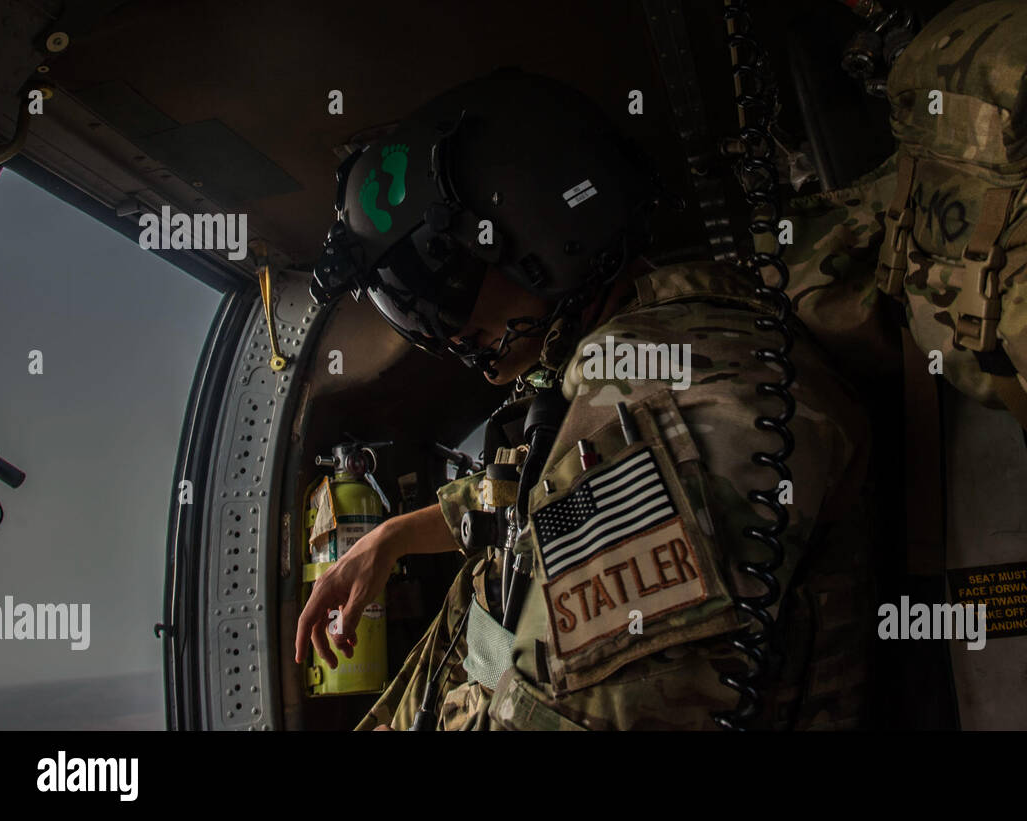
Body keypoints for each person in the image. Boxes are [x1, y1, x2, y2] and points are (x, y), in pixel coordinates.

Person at [295, 68, 874, 730]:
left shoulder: (653, 411)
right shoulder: (629, 359)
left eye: (431, 284)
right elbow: (524, 497)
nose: (442, 331)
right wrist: (391, 538)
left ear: (530, 223)